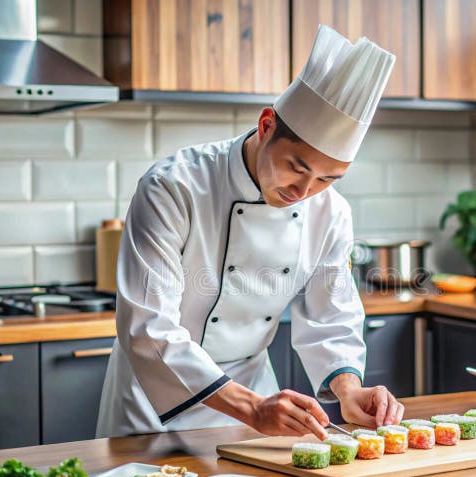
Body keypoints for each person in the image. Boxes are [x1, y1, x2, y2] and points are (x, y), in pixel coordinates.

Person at [96, 25, 403, 441]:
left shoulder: (331, 213)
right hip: (154, 406)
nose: (304, 192)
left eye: (327, 179)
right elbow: (147, 327)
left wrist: (350, 388)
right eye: (297, 167)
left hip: (256, 406)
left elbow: (331, 314)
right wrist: (252, 408)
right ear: (265, 125)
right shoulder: (174, 187)